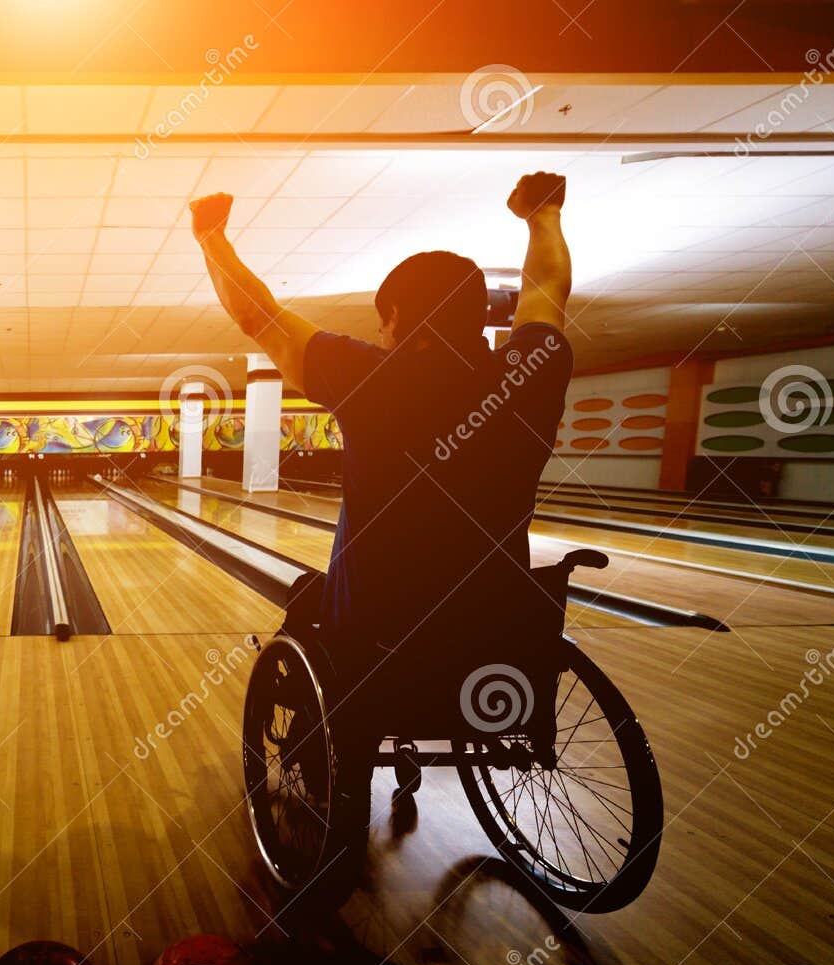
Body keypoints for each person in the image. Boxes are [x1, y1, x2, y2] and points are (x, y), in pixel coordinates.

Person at [190, 171, 573, 686]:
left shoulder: (366, 376)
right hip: (495, 634)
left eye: (380, 321)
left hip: (374, 636)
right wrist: (543, 214)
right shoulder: (529, 373)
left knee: (307, 595)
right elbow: (547, 288)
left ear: (395, 315)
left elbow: (258, 317)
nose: (377, 334)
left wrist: (210, 238)